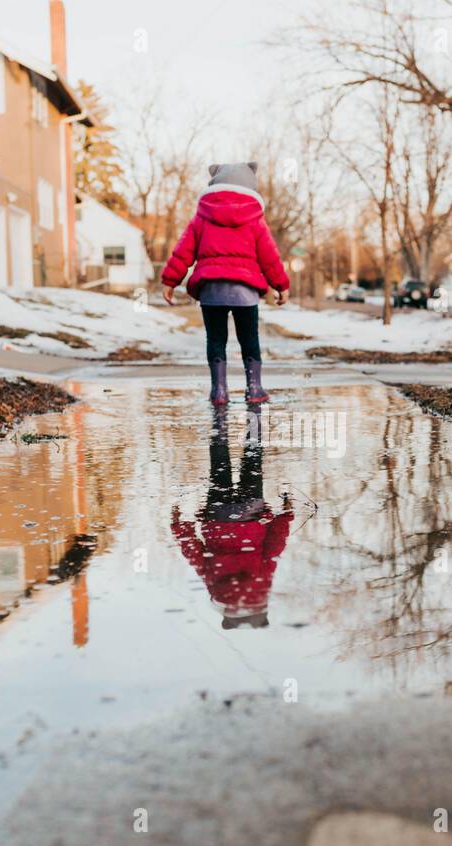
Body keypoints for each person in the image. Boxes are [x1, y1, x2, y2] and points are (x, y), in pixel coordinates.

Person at [160, 162, 290, 405]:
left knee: (216, 340)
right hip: (246, 291)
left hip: (211, 290)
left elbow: (184, 250)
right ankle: (254, 389)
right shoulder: (254, 218)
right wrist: (281, 284)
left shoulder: (202, 216)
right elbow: (269, 256)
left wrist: (170, 280)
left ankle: (219, 391)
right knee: (249, 340)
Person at [171, 407, 293, 629]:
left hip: (252, 513)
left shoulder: (260, 585)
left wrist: (285, 514)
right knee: (219, 466)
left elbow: (274, 546)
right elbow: (194, 554)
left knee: (252, 461)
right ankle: (219, 418)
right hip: (218, 518)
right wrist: (179, 526)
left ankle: (254, 412)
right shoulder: (216, 588)